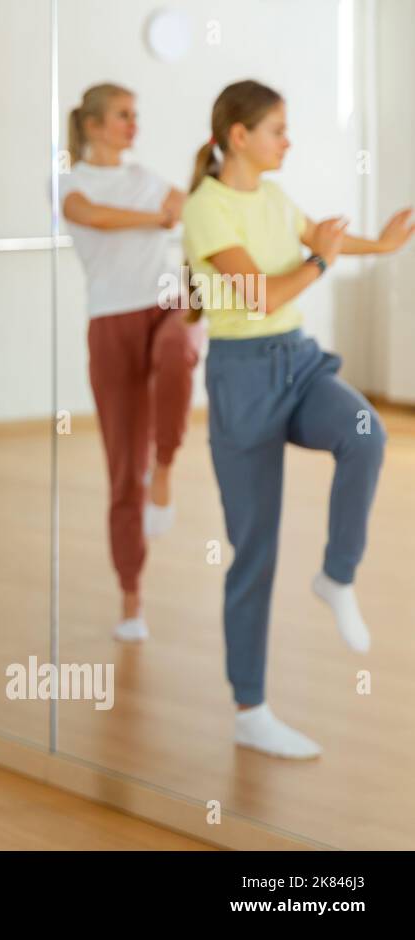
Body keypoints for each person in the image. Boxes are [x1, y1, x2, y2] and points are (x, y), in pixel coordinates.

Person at [182, 79, 413, 758]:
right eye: (279, 129)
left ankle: (336, 575)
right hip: (244, 378)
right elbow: (260, 296)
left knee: (368, 433)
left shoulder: (276, 198)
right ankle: (250, 710)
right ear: (239, 137)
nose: (289, 141)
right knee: (254, 553)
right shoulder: (206, 210)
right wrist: (321, 259)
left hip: (298, 362)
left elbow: (326, 242)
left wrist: (386, 245)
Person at [61, 83, 201, 642]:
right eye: (123, 116)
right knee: (122, 471)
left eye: (135, 116)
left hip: (164, 305)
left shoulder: (147, 179)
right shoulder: (69, 182)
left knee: (182, 349)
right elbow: (91, 216)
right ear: (93, 125)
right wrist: (156, 218)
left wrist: (174, 208)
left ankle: (164, 465)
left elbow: (191, 205)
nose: (133, 125)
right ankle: (131, 597)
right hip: (111, 323)